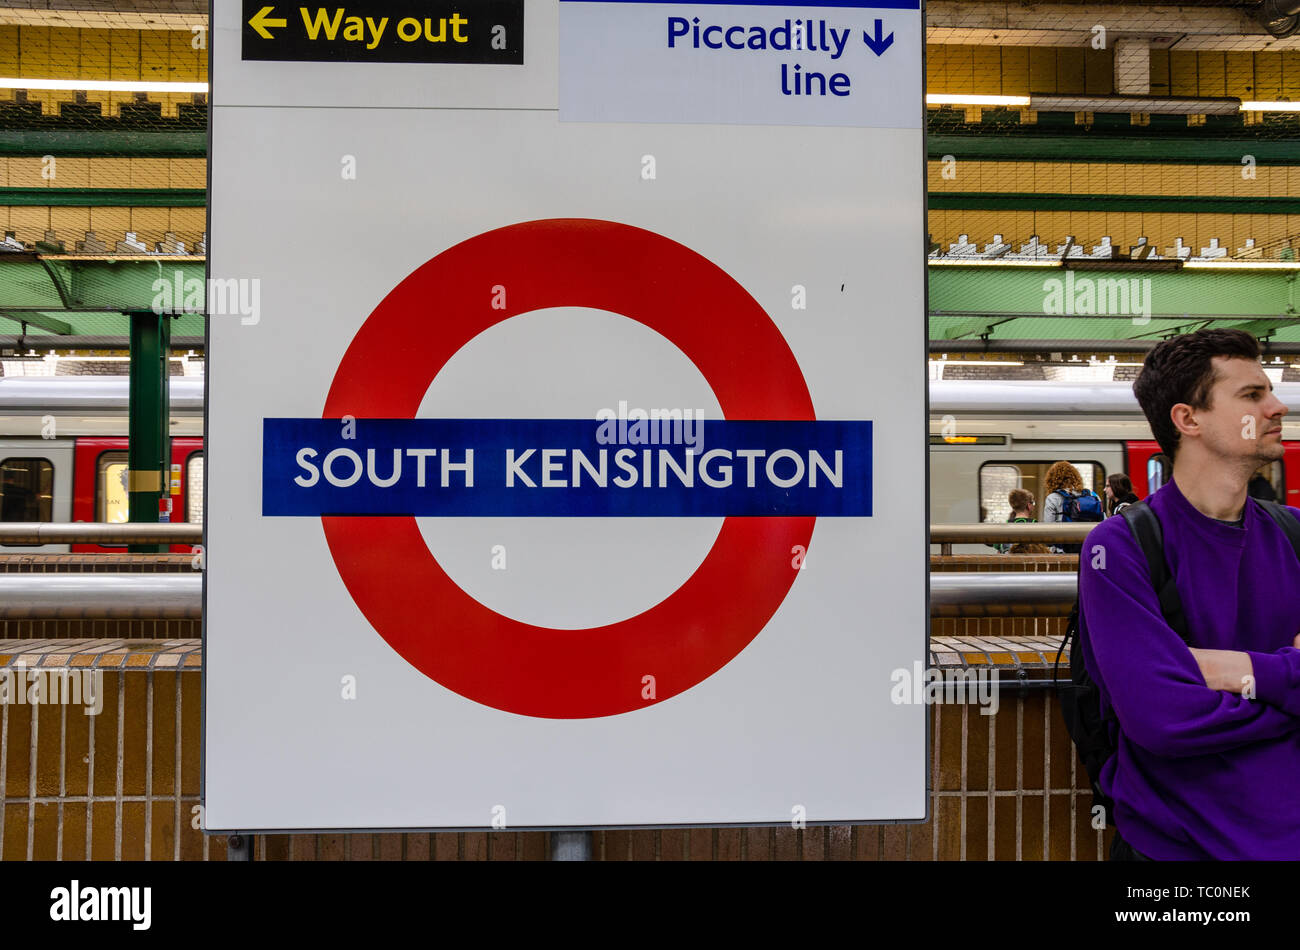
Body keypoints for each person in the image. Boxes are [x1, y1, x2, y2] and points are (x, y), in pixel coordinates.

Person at [1079, 328, 1300, 860]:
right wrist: (1290, 684)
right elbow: (1163, 720)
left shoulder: (1296, 534)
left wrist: (1228, 671)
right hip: (1177, 857)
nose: (1277, 406)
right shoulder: (1119, 547)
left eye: (1269, 391)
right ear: (1188, 419)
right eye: (1252, 395)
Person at [1041, 461, 1101, 552]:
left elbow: (1048, 527)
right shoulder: (1092, 495)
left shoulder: (1052, 498)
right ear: (1076, 477)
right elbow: (1103, 520)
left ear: (1051, 480)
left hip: (1063, 549)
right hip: (1089, 547)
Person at [993, 488, 1035, 553]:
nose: (1034, 505)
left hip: (1009, 561)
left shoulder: (1004, 526)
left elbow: (998, 548)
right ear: (1029, 505)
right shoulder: (1035, 525)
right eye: (1033, 503)